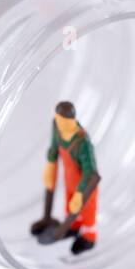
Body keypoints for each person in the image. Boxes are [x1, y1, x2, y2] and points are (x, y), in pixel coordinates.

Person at [30, 101, 99, 254]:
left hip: (86, 184)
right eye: (58, 120)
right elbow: (54, 146)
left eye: (63, 122)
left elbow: (91, 173)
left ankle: (89, 237)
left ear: (71, 120)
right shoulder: (56, 126)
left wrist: (81, 193)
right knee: (69, 204)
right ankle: (73, 227)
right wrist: (50, 164)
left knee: (87, 210)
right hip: (69, 178)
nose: (59, 125)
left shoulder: (83, 143)